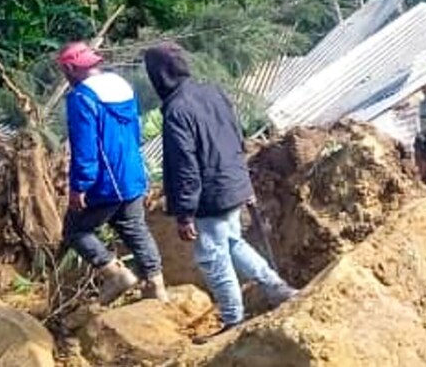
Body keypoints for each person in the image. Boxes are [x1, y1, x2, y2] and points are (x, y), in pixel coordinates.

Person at [143, 42, 296, 342]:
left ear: (158, 75)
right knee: (233, 242)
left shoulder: (176, 110)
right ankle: (276, 287)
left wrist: (185, 212)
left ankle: (232, 319)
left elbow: (184, 165)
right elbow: (236, 136)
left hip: (209, 195)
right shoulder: (213, 92)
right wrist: (244, 181)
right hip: (232, 183)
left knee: (212, 256)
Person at [57, 41, 168, 305]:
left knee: (76, 231)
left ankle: (116, 275)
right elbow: (137, 132)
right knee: (135, 228)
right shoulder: (122, 86)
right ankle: (157, 288)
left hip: (105, 182)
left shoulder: (82, 97)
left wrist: (80, 186)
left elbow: (85, 146)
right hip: (132, 173)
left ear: (71, 69)